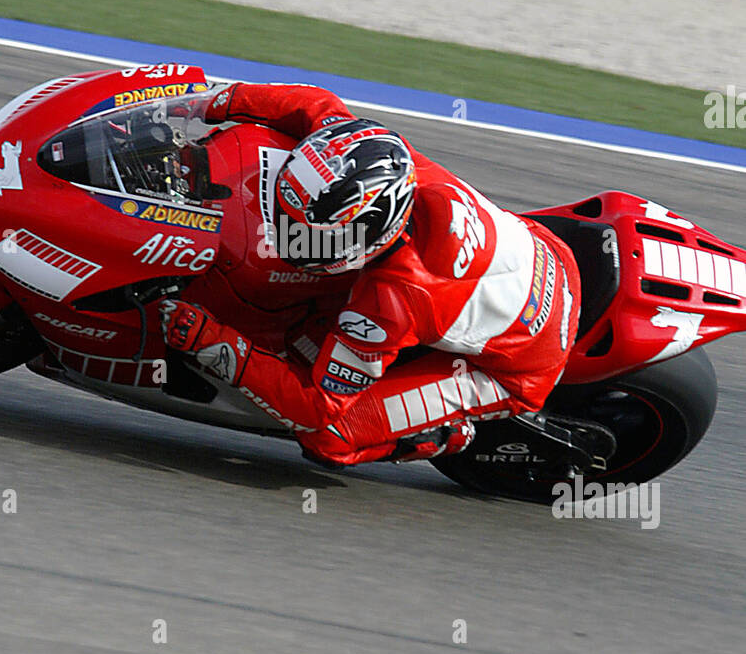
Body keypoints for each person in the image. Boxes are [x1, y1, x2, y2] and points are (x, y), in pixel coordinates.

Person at [162, 83, 580, 467]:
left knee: (329, 437)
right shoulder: (373, 156)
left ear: (369, 232)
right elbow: (315, 106)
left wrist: (213, 340)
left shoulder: (392, 300)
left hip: (519, 366)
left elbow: (316, 407)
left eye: (304, 233)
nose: (286, 235)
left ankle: (439, 435)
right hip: (548, 254)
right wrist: (214, 102)